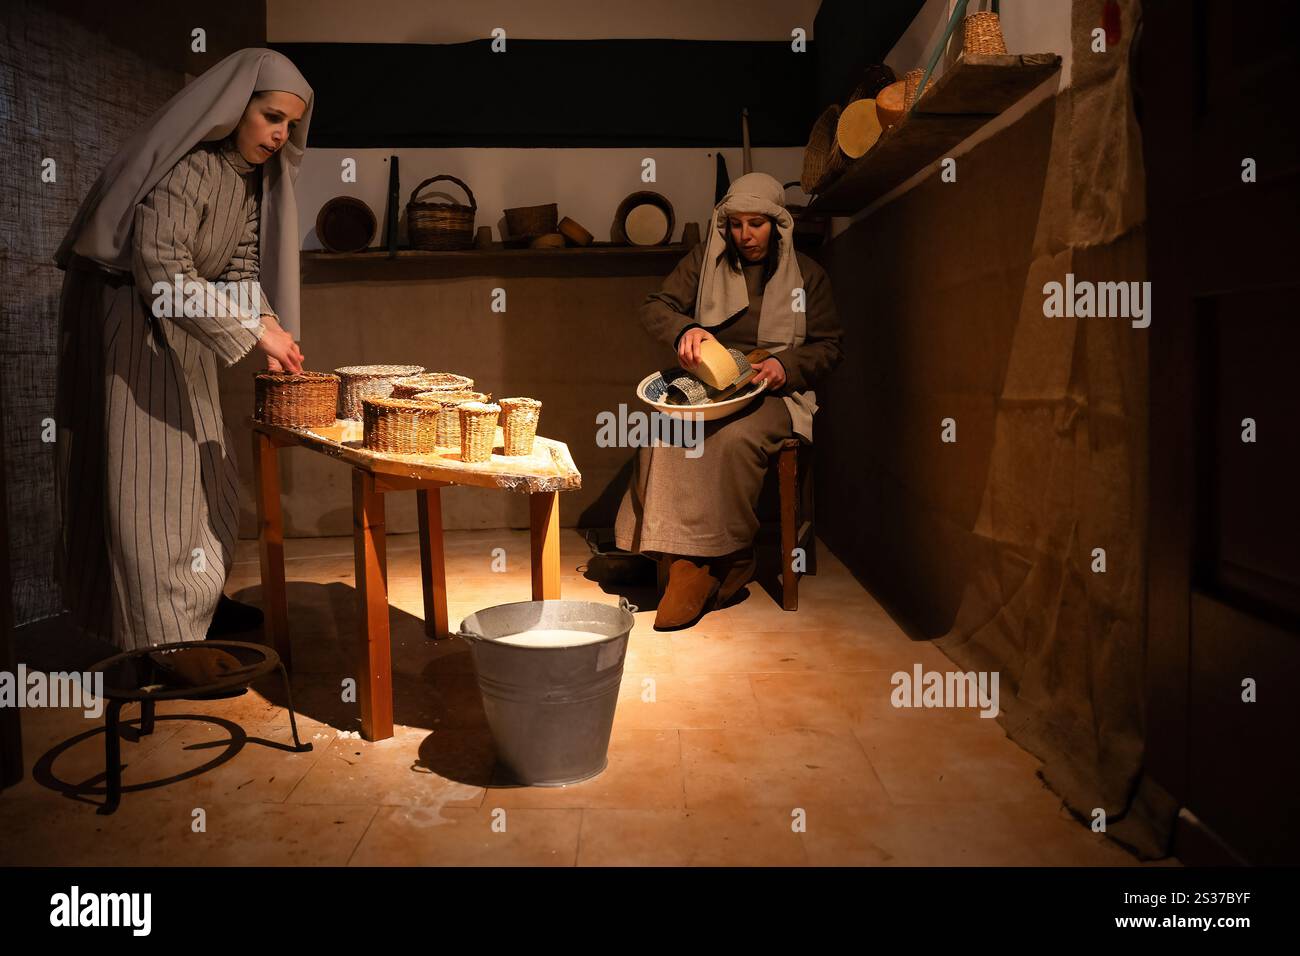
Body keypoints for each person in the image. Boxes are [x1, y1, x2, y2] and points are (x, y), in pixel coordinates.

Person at [53, 49, 313, 650]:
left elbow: (241, 269)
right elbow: (160, 268)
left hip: (187, 332)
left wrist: (269, 326)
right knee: (152, 487)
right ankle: (162, 646)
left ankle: (194, 608)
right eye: (271, 116)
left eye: (290, 127)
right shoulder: (186, 166)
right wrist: (252, 332)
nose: (279, 135)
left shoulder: (248, 182)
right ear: (233, 108)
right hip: (136, 329)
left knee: (206, 477)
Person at [615, 172, 844, 629]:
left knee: (733, 438)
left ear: (778, 225)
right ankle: (672, 558)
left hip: (776, 390)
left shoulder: (809, 276)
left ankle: (725, 559)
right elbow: (654, 305)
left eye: (756, 224)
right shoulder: (706, 262)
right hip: (714, 383)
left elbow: (829, 346)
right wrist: (685, 329)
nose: (745, 236)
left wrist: (788, 366)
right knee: (665, 430)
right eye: (736, 225)